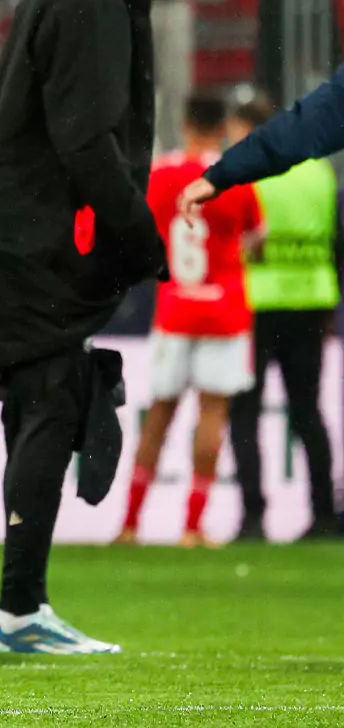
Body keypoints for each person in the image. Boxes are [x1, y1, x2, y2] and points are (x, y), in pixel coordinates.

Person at [0, 0, 218, 655]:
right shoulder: (95, 4)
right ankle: (19, 612)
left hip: (20, 228)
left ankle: (23, 608)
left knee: (39, 406)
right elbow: (86, 141)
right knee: (50, 404)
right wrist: (140, 240)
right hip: (42, 238)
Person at [118, 93, 261, 547]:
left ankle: (130, 525)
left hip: (175, 308)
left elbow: (142, 233)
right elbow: (256, 239)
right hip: (224, 310)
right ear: (222, 127)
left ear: (184, 124)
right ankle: (193, 527)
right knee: (212, 415)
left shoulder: (161, 174)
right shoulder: (237, 177)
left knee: (159, 415)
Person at [224, 96, 340, 540]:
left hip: (257, 303)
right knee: (307, 411)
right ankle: (324, 515)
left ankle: (253, 517)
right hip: (311, 300)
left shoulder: (249, 171)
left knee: (245, 412)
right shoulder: (319, 170)